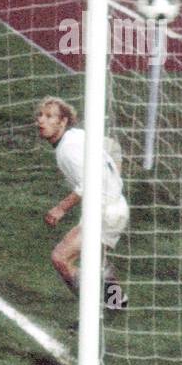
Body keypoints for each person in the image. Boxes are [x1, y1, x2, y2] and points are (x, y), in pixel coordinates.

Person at [34, 97, 128, 310]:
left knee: (60, 258)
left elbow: (89, 182)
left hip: (104, 212)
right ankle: (116, 302)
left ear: (63, 122)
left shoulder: (68, 149)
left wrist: (60, 209)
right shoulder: (77, 135)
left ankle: (91, 313)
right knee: (98, 261)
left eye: (49, 117)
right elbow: (112, 146)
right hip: (115, 206)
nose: (41, 120)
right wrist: (114, 179)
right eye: (40, 115)